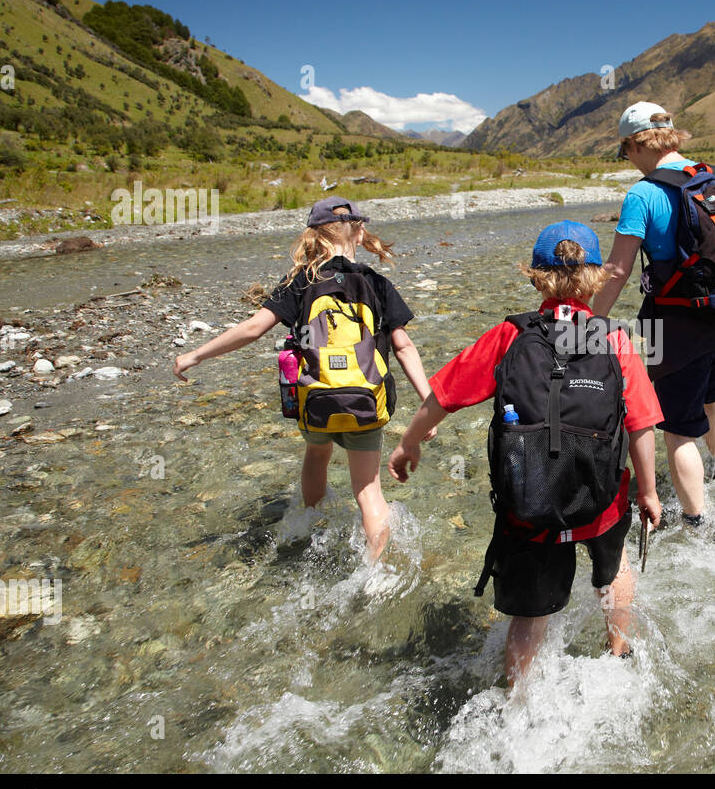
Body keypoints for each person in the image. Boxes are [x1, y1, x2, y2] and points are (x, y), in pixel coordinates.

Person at [388, 221, 663, 685]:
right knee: (613, 573)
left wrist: (407, 443)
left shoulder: (510, 336)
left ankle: (518, 705)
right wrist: (649, 492)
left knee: (529, 617)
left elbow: (443, 396)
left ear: (535, 275)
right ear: (597, 278)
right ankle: (619, 655)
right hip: (601, 503)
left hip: (528, 506)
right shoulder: (614, 339)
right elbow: (641, 425)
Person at [173, 196, 434, 563]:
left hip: (315, 400)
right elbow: (403, 346)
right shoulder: (377, 283)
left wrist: (195, 355)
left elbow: (252, 329)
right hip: (366, 400)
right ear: (359, 236)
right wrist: (429, 401)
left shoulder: (300, 281)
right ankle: (376, 572)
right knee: (368, 490)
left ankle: (309, 526)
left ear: (314, 237)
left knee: (316, 455)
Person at [591, 102, 715, 527]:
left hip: (677, 326)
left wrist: (589, 320)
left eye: (625, 152)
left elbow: (617, 271)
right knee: (712, 397)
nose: (629, 163)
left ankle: (697, 525)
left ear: (635, 144)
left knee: (677, 430)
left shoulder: (643, 194)